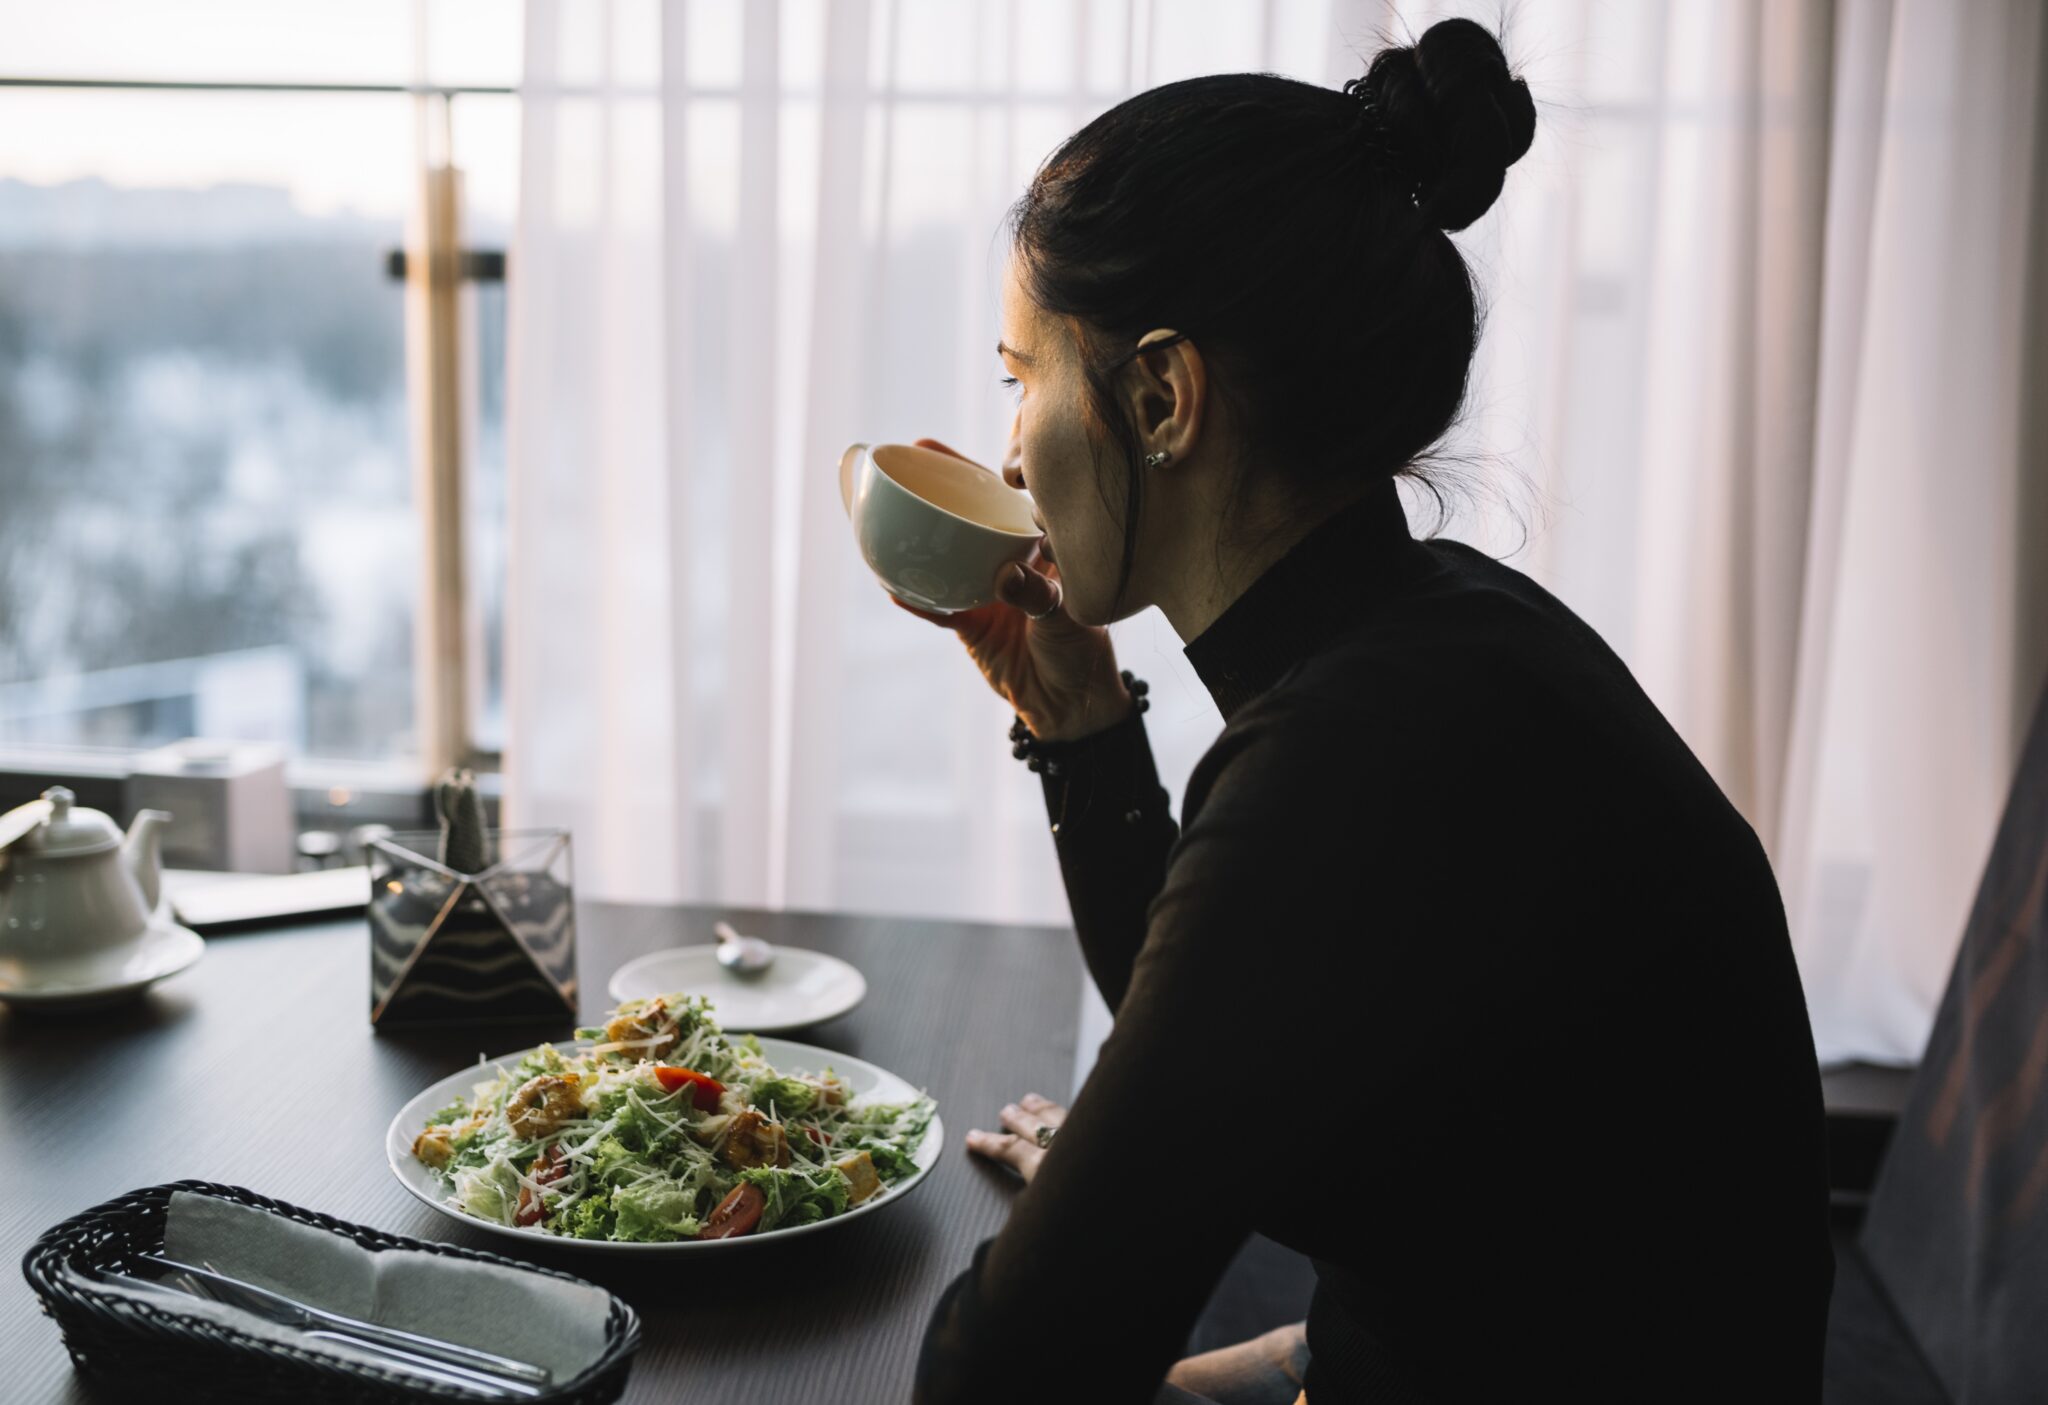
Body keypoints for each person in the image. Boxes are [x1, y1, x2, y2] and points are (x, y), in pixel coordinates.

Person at [891, 19, 1834, 1404]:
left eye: (1022, 375)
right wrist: (1082, 728)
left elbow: (998, 1376)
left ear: (1161, 393)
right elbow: (1279, 1063)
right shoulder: (1444, 631)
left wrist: (1106, 1228)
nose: (1008, 442)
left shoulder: (1348, 761)